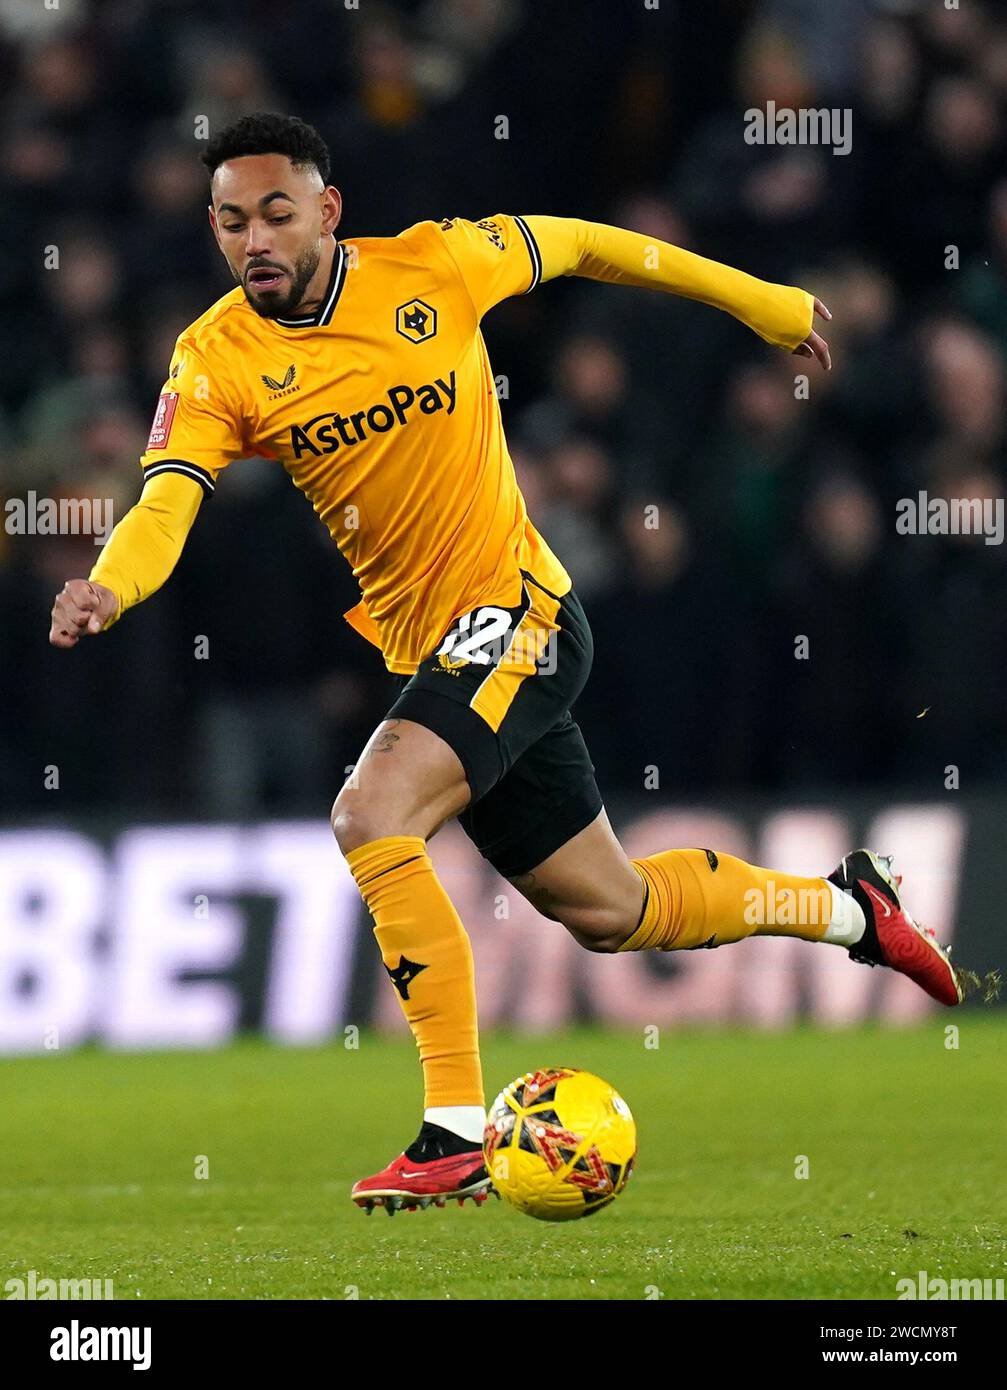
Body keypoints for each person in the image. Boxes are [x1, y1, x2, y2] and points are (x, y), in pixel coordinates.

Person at [49, 113, 966, 1217]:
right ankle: (850, 912)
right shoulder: (215, 358)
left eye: (278, 213)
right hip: (445, 648)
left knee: (368, 812)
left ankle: (450, 1129)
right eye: (233, 220)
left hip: (517, 610)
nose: (257, 240)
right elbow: (167, 501)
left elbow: (587, 242)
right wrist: (114, 582)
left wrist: (759, 301)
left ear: (327, 211)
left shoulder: (435, 262)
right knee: (611, 909)